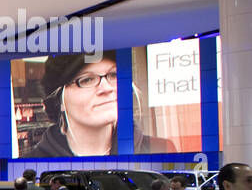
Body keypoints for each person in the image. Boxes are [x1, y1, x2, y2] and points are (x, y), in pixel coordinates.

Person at [26, 52, 176, 157]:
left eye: (113, 75)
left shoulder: (161, 149)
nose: (107, 88)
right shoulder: (30, 162)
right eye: (86, 80)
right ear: (60, 102)